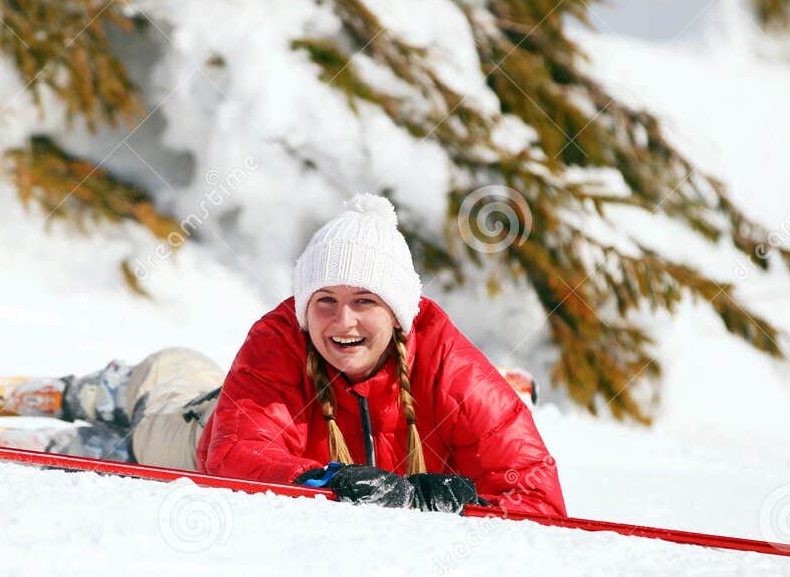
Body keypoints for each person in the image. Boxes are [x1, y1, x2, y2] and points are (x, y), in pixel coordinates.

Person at [62, 194, 566, 517]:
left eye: (364, 301)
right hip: (210, 436)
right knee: (160, 419)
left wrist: (463, 504)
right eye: (325, 301)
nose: (342, 322)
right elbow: (235, 456)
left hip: (348, 436)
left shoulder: (452, 369)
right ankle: (112, 391)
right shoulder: (279, 340)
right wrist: (327, 477)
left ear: (398, 315)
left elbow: (540, 500)